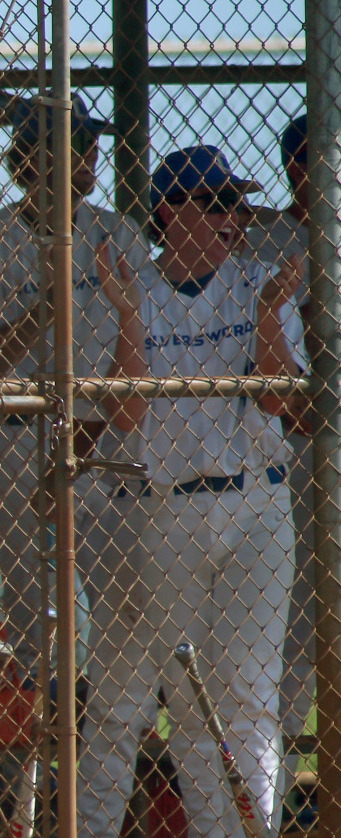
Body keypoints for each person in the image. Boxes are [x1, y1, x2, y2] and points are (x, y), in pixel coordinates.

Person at [87, 147, 301, 838]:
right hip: (170, 507)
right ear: (173, 211)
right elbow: (126, 416)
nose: (236, 221)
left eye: (240, 208)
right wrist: (128, 320)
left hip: (254, 506)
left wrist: (274, 315)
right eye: (218, 206)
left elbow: (283, 401)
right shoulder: (134, 288)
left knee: (246, 692)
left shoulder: (255, 283)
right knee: (186, 694)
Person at [0, 95, 157, 838]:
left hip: (111, 441)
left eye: (87, 149)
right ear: (26, 158)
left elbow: (139, 351)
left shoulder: (119, 235)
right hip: (15, 444)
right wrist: (46, 300)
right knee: (39, 632)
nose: (81, 163)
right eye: (65, 148)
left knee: (124, 624)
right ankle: (35, 828)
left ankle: (100, 821)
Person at [249, 113, 315, 757]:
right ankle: (293, 774)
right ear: (297, 165)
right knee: (295, 619)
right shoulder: (268, 234)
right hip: (294, 442)